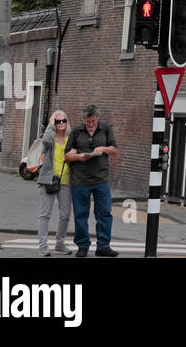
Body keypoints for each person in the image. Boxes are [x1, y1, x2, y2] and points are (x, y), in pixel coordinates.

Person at [65, 104, 120, 257]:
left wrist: (103, 149)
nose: (90, 124)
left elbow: (114, 150)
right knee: (80, 214)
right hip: (80, 180)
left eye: (93, 121)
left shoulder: (106, 129)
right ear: (83, 119)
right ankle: (82, 246)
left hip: (101, 180)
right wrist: (78, 157)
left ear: (98, 119)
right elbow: (67, 155)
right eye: (87, 121)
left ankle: (103, 246)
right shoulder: (76, 131)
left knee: (104, 214)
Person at [36, 110, 73, 255]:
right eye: (58, 121)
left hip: (65, 181)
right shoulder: (50, 137)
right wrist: (50, 126)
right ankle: (43, 246)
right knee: (45, 214)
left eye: (64, 120)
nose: (61, 123)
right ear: (54, 122)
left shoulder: (70, 138)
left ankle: (60, 244)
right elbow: (44, 143)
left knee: (65, 215)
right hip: (48, 180)